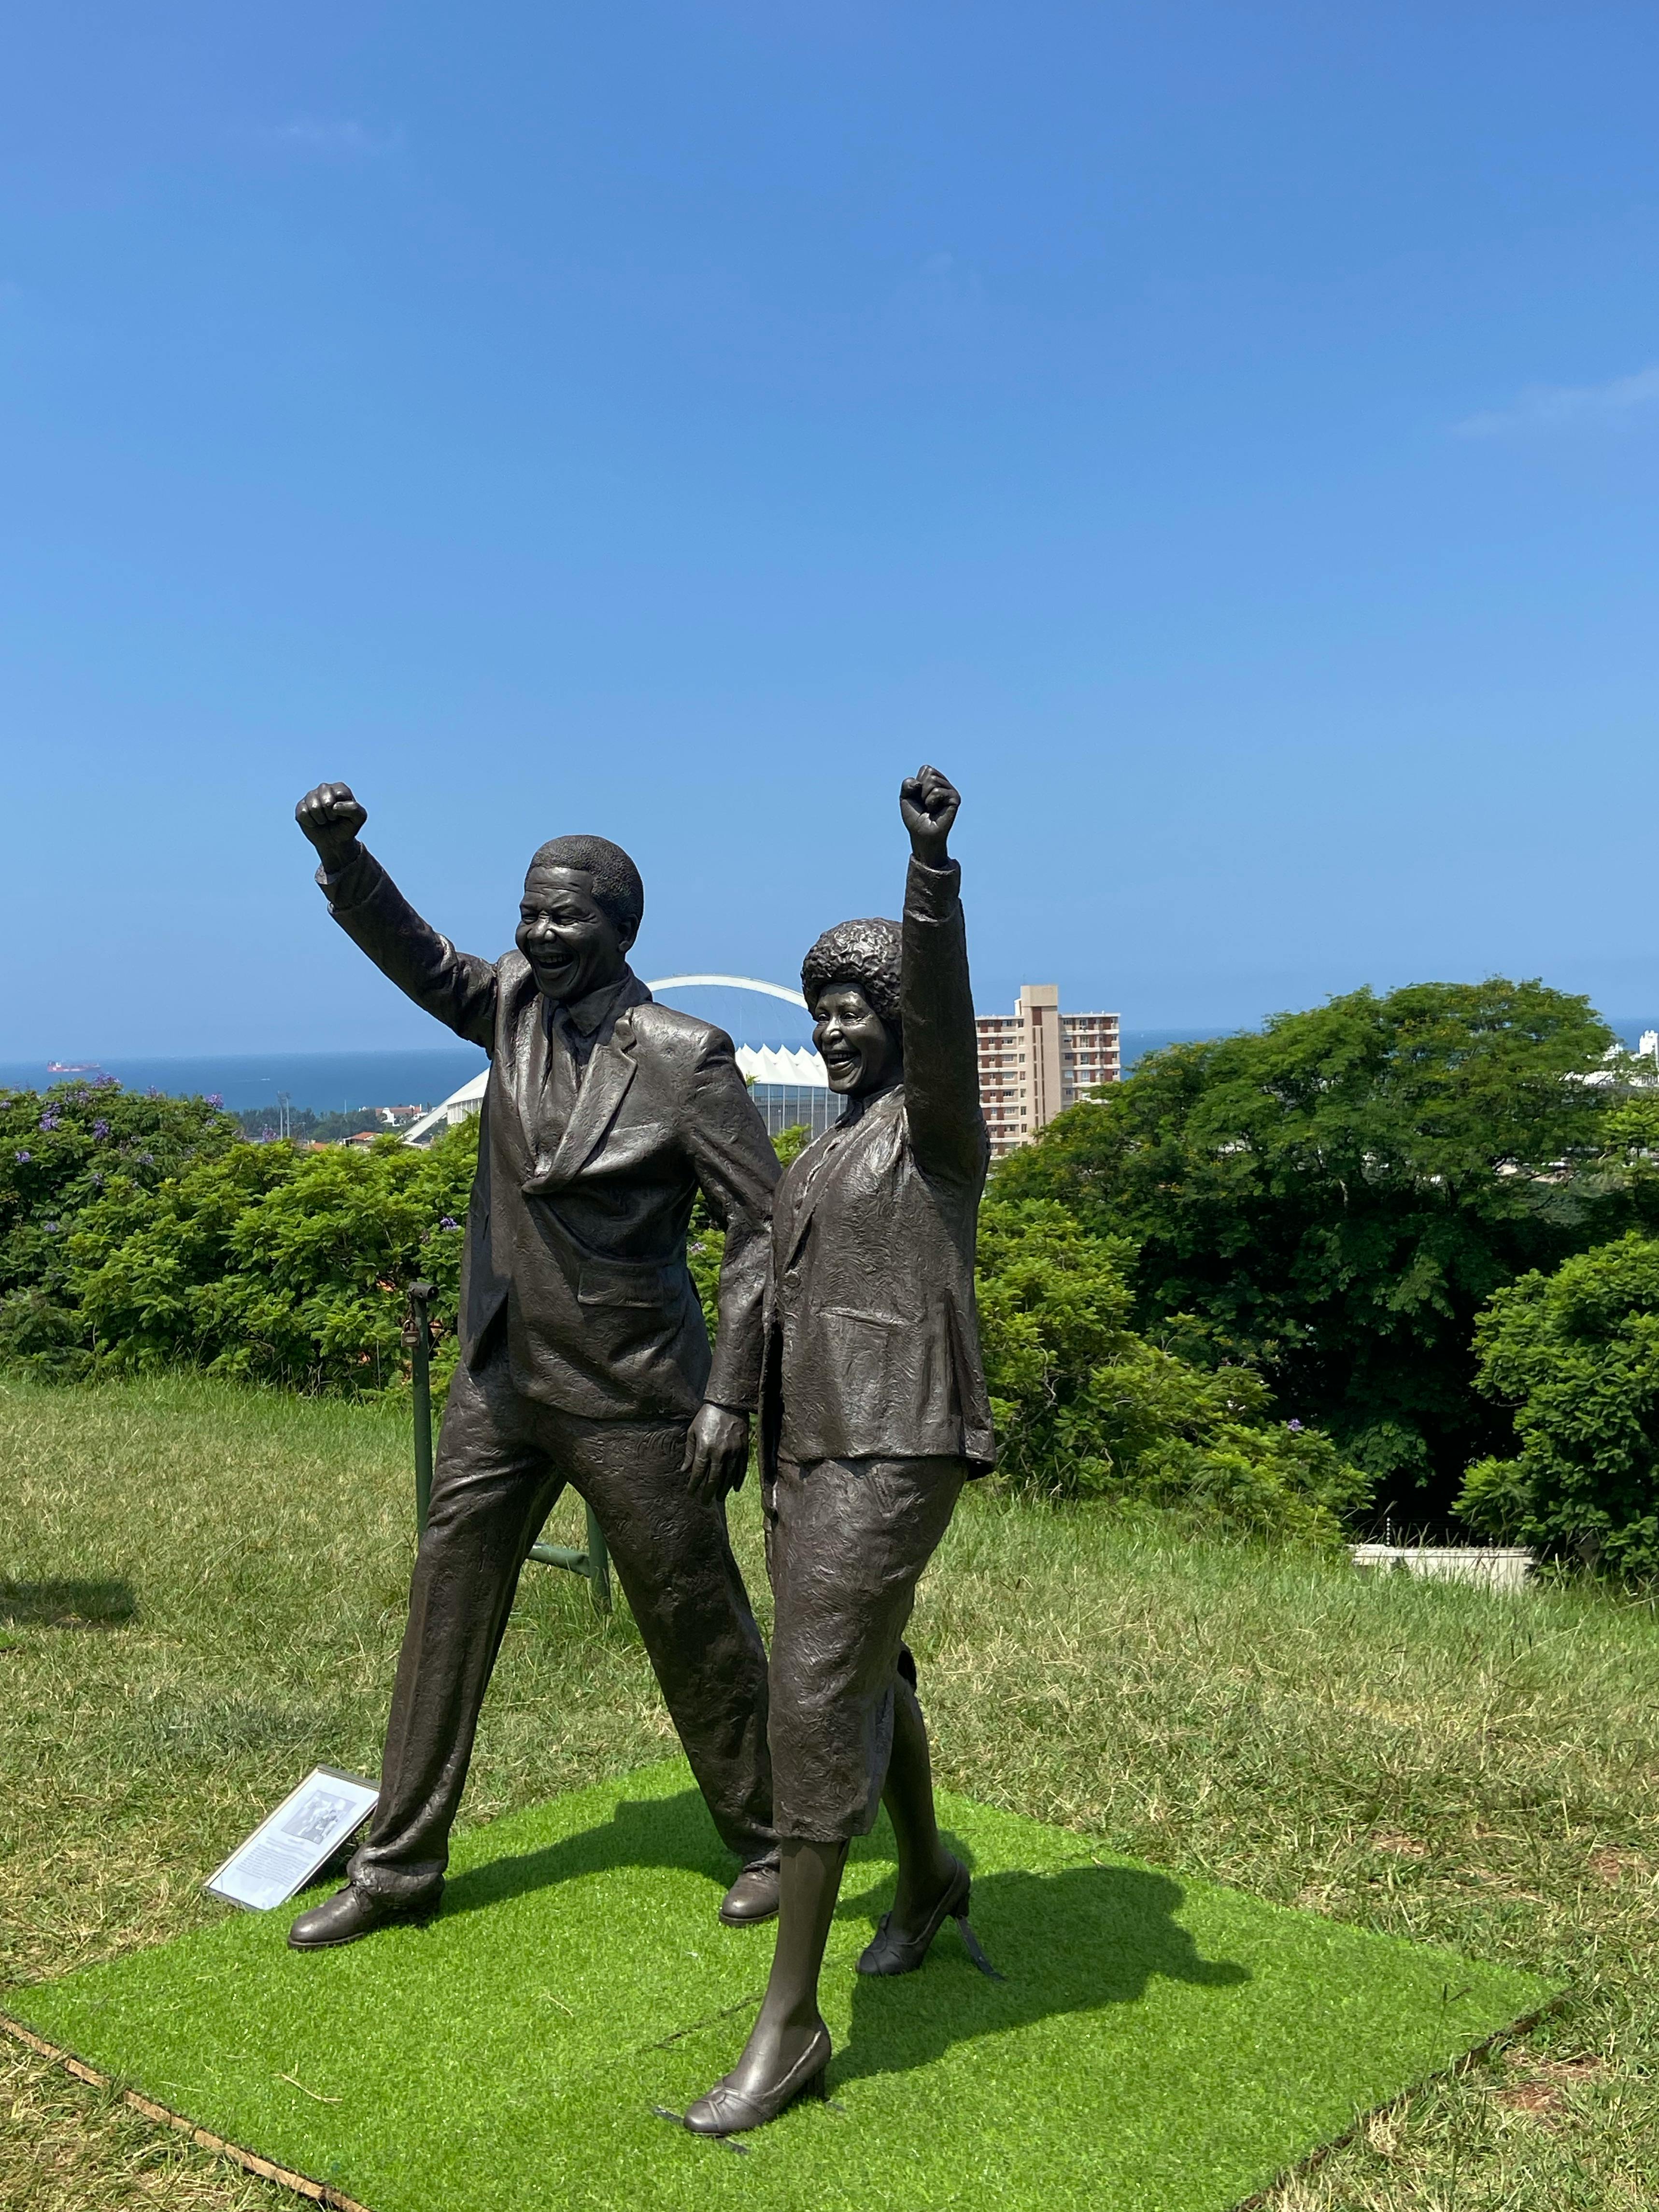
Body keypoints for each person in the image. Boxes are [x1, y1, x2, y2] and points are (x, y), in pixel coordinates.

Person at [286, 784, 781, 1948]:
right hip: (501, 1374)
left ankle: (771, 1835)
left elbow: (760, 1228)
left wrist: (730, 1392)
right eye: (528, 915)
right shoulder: (505, 1001)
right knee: (444, 1603)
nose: (540, 937)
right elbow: (417, 956)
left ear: (618, 927)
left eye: (565, 918)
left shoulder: (684, 1057)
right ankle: (398, 1864)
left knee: (691, 1612)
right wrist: (346, 857)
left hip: (634, 1390)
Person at [682, 764, 995, 2138]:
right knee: (868, 1667)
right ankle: (925, 1875)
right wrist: (724, 1398)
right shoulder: (818, 1155)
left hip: (895, 1438)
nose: (834, 1025)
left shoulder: (935, 1139)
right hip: (806, 1449)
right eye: (822, 1008)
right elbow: (758, 1275)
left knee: (810, 1696)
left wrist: (928, 874)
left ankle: (790, 2020)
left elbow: (942, 1017)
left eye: (858, 1005)